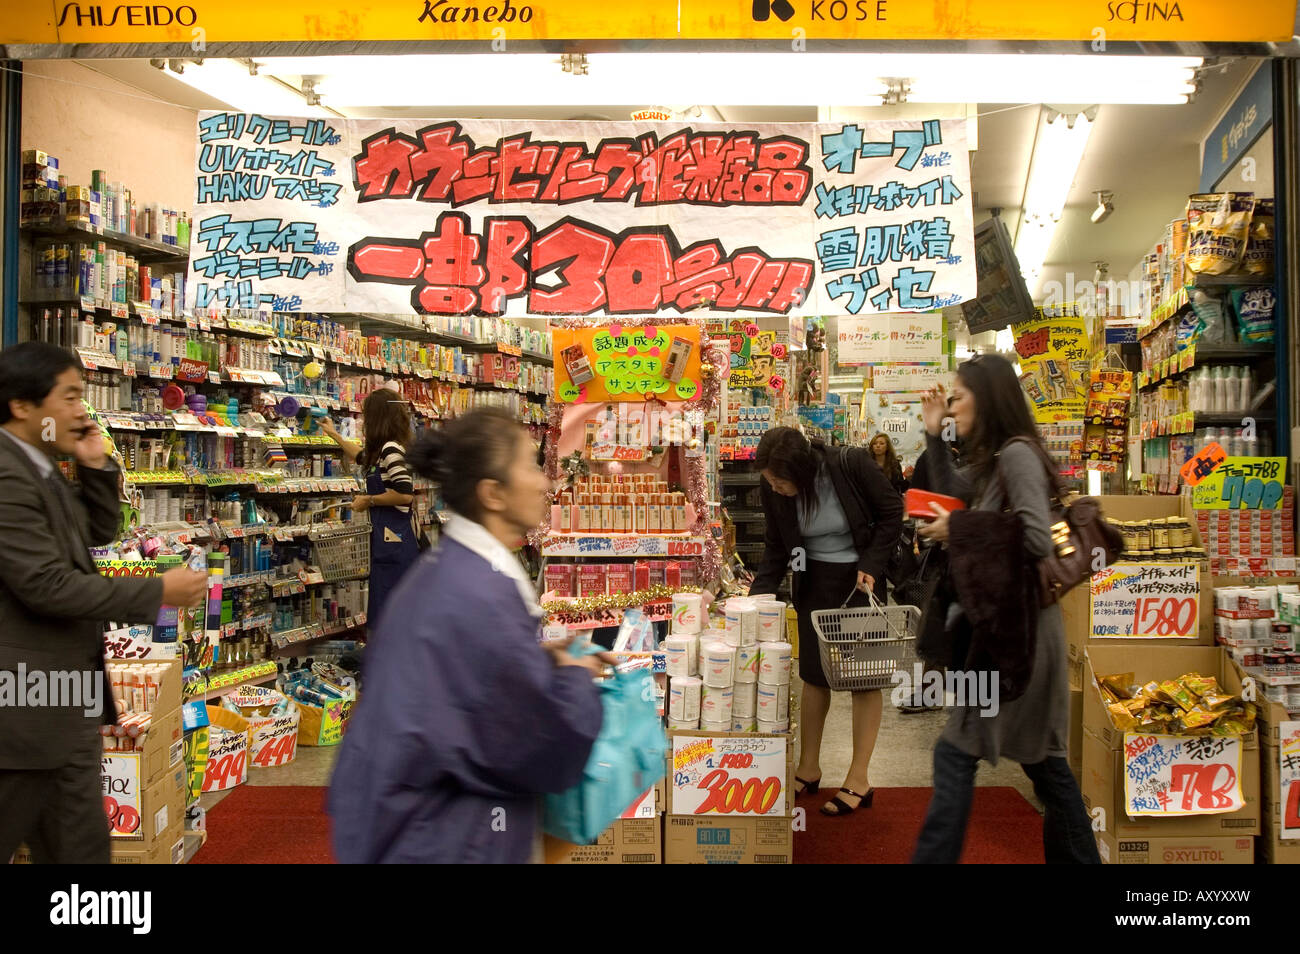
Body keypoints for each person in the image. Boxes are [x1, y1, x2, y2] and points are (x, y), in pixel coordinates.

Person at [327, 408, 611, 863]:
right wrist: (576, 680)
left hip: (409, 825)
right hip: (447, 840)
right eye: (531, 465)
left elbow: (470, 694)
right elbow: (540, 750)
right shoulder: (481, 594)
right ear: (493, 493)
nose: (544, 481)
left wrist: (539, 662)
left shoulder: (451, 570)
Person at [0, 343, 207, 864]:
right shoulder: (6, 476)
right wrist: (159, 592)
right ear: (23, 405)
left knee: (81, 850)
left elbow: (94, 532)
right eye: (69, 396)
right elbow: (47, 585)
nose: (80, 410)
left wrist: (94, 465)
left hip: (56, 708)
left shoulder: (40, 463)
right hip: (21, 713)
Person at [910, 354, 1099, 864]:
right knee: (1046, 768)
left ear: (987, 398)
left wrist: (962, 530)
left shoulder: (1017, 454)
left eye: (959, 397)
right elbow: (953, 497)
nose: (952, 405)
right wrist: (934, 434)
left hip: (1020, 640)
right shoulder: (997, 459)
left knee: (959, 754)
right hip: (1007, 634)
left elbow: (1038, 538)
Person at [749, 426, 903, 816]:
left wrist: (871, 564)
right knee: (814, 677)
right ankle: (808, 767)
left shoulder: (848, 464)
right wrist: (755, 603)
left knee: (863, 679)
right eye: (769, 480)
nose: (775, 487)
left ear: (802, 470)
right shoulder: (773, 486)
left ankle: (859, 778)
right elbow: (776, 545)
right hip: (812, 582)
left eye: (780, 480)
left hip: (859, 582)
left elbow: (890, 514)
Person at [320, 388, 421, 627]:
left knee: (394, 614)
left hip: (396, 543)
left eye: (367, 416)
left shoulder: (391, 450)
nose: (364, 422)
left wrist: (369, 500)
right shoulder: (381, 451)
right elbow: (361, 457)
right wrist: (335, 435)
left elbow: (405, 494)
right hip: (387, 542)